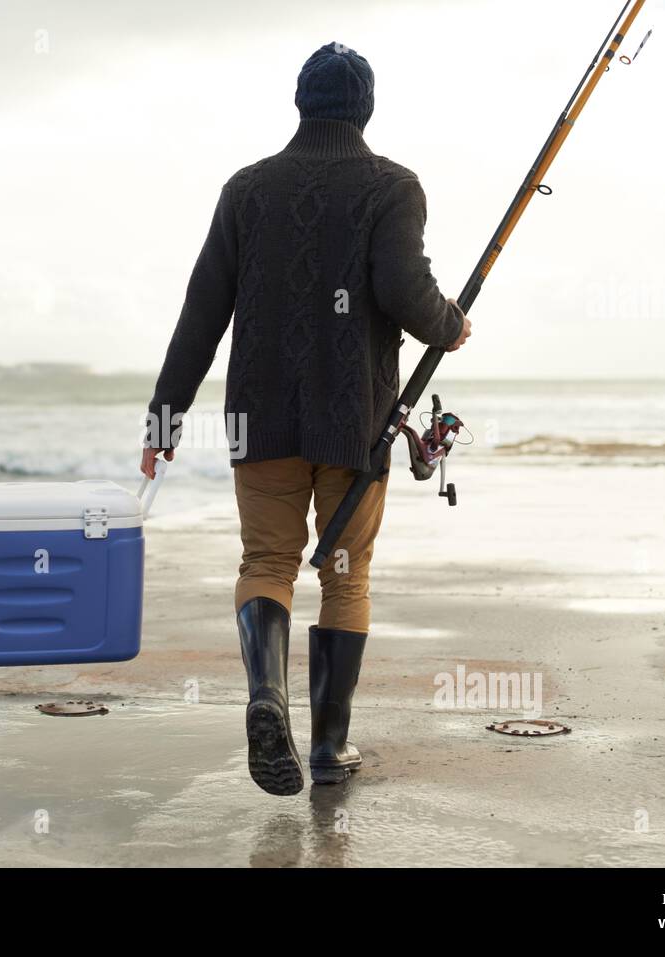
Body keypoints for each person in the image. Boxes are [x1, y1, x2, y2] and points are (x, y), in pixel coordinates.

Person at [141, 42, 471, 796]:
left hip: (261, 417)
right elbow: (403, 288)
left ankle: (267, 697)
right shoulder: (394, 186)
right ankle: (328, 747)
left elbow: (202, 313)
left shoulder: (246, 189)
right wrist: (450, 325)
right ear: (367, 109)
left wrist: (163, 423)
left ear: (299, 103)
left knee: (266, 564)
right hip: (354, 422)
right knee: (346, 576)